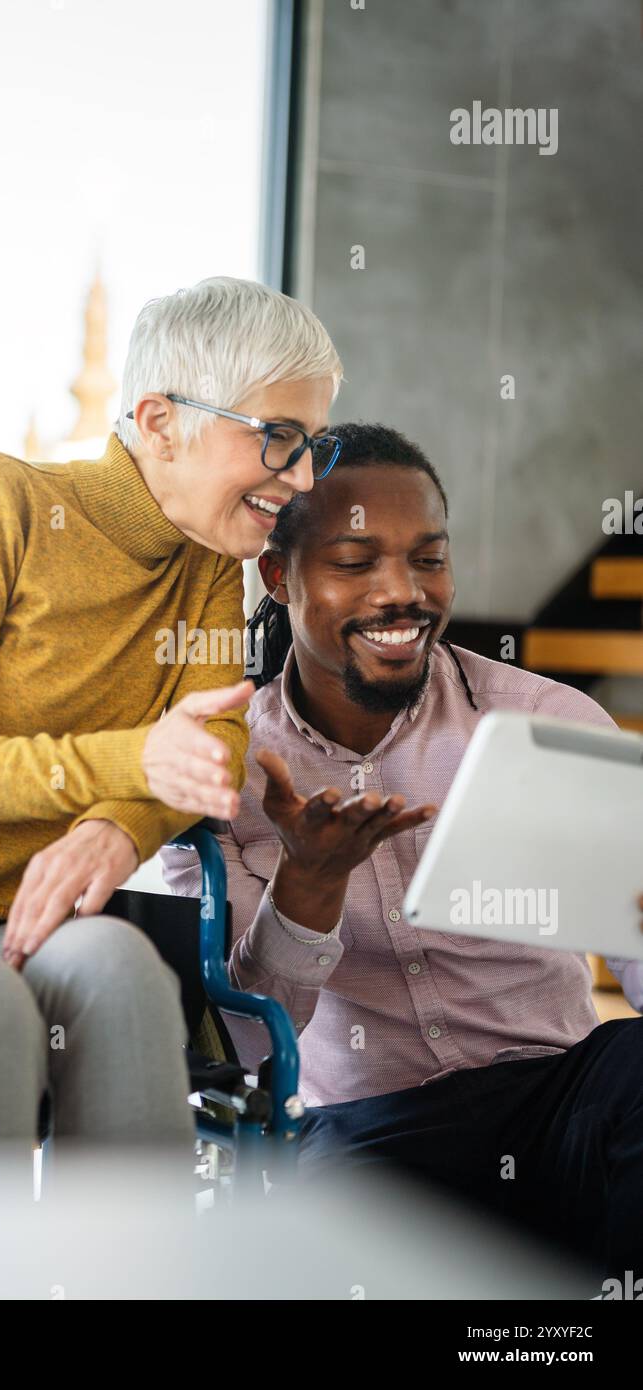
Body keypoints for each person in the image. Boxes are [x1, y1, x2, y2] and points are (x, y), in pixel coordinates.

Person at [0, 276, 343, 1208]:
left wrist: (117, 828)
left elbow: (213, 749)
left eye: (312, 445)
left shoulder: (205, 566)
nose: (304, 480)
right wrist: (132, 763)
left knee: (122, 973)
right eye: (277, 440)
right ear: (159, 423)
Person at [161, 421, 643, 1277]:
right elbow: (247, 1048)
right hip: (367, 1131)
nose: (403, 592)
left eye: (427, 558)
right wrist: (307, 886)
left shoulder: (545, 723)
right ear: (279, 574)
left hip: (559, 1096)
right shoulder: (222, 769)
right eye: (355, 563)